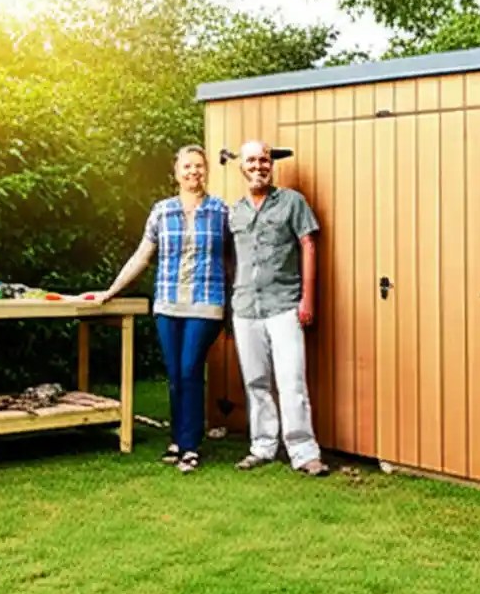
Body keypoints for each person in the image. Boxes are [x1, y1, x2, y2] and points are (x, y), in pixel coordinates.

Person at [86, 144, 227, 474]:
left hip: (206, 303)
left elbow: (233, 260)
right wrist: (111, 290)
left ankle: (191, 446)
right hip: (167, 304)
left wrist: (237, 302)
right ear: (176, 172)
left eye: (199, 166)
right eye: (187, 166)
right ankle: (177, 440)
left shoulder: (222, 212)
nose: (193, 172)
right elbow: (141, 257)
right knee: (176, 374)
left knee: (191, 368)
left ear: (206, 171)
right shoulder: (162, 212)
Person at [228, 139, 330, 477]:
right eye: (252, 161)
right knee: (255, 381)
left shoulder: (291, 202)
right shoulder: (235, 211)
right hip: (245, 308)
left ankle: (303, 451)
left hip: (285, 305)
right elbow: (232, 259)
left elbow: (309, 245)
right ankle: (262, 446)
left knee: (291, 380)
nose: (258, 166)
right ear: (242, 167)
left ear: (271, 165)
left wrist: (307, 300)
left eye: (264, 160)